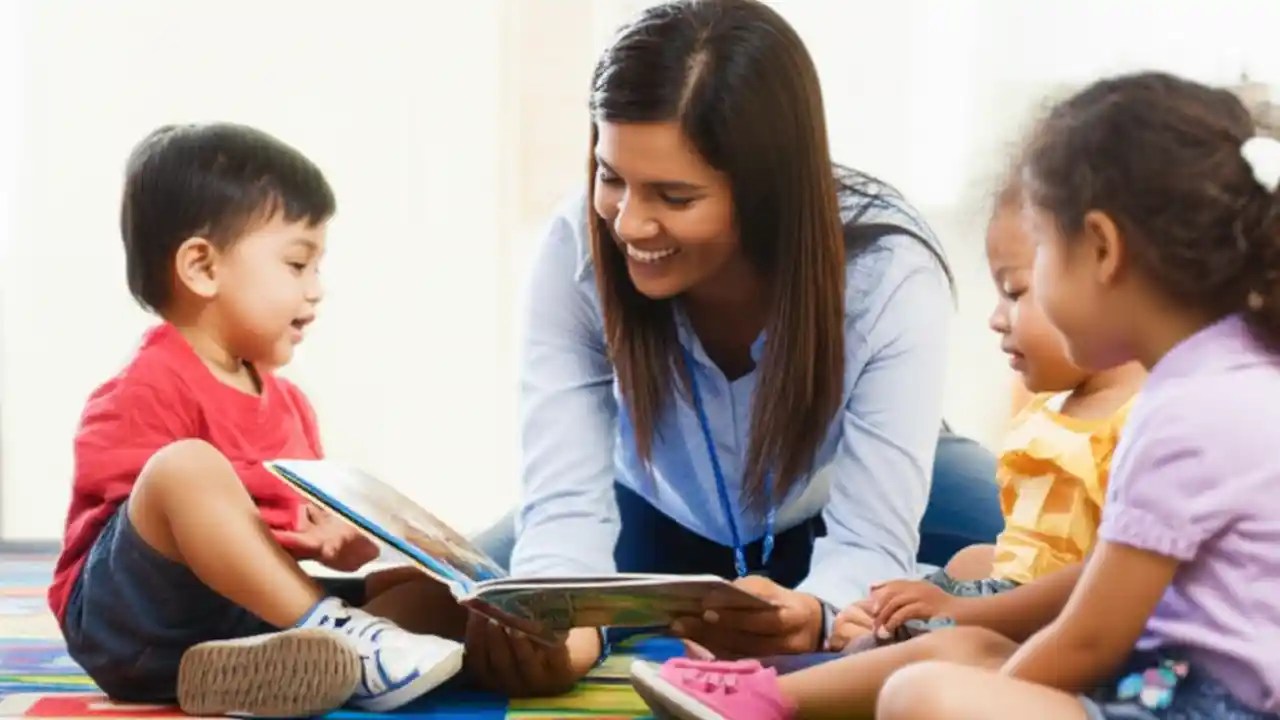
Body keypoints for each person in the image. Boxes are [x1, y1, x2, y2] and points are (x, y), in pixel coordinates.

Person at [434, 0, 1004, 697]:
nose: (629, 222)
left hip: (839, 500)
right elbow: (564, 508)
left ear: (767, 192)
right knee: (475, 599)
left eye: (674, 196)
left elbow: (870, 542)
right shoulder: (574, 246)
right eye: (611, 177)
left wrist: (821, 614)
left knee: (1016, 564)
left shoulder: (888, 269)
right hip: (651, 507)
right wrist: (563, 627)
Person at [625, 168, 1145, 720]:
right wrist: (929, 600)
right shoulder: (1063, 406)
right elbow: (1032, 562)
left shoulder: (1146, 424)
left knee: (960, 647)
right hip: (1047, 616)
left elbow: (1100, 583)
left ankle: (775, 695)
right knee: (968, 562)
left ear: (1109, 272)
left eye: (1015, 292)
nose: (996, 319)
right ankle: (837, 653)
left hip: (1101, 654)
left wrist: (959, 615)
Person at [874, 73, 1280, 719]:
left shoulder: (1182, 412)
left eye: (1039, 259)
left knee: (922, 693)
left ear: (1101, 248)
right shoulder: (1245, 373)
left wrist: (997, 685)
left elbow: (1091, 637)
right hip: (1192, 686)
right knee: (967, 649)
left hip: (1196, 705)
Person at [47, 123, 463, 718]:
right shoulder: (146, 383)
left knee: (427, 596)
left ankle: (264, 667)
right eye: (297, 264)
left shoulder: (291, 404)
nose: (317, 290)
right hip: (134, 621)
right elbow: (148, 507)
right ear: (202, 267)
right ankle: (341, 641)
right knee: (185, 467)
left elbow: (294, 534)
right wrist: (273, 514)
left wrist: (337, 543)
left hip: (235, 620)